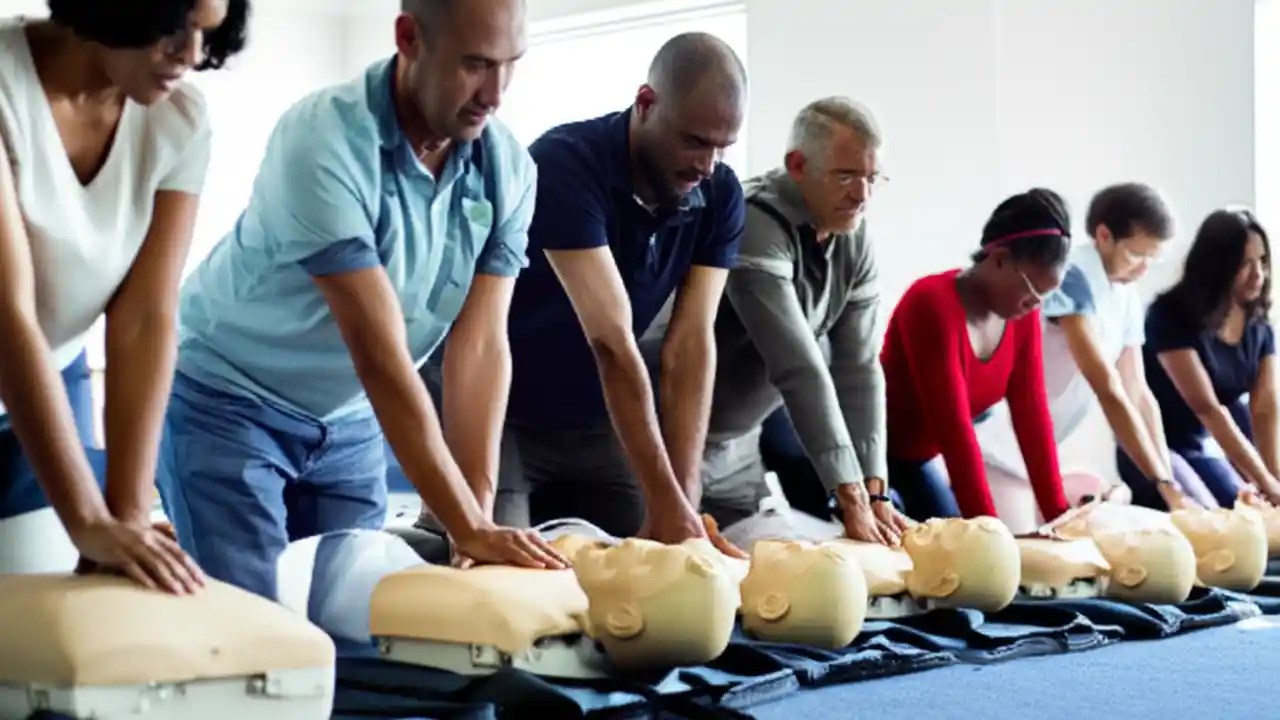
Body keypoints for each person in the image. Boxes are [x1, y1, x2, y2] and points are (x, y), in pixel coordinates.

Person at [157, 0, 567, 601]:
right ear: (408, 39)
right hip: (228, 400)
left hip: (348, 419)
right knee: (253, 631)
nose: (495, 93)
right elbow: (380, 354)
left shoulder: (508, 169)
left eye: (511, 64)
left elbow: (478, 347)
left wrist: (472, 522)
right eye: (475, 64)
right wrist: (467, 524)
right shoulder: (323, 137)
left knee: (355, 622)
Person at [0, 0, 247, 593]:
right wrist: (87, 517)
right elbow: (8, 312)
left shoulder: (178, 119)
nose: (190, 56)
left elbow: (144, 317)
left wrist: (127, 514)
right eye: (174, 27)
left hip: (50, 375)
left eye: (206, 33)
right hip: (17, 345)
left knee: (60, 615)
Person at [491, 33, 747, 546]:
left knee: (653, 560)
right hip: (507, 417)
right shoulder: (565, 163)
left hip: (598, 424)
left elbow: (691, 345)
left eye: (722, 147)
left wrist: (684, 496)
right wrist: (668, 501)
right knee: (506, 581)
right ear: (646, 105)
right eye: (694, 141)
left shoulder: (719, 192)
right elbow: (611, 340)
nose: (707, 165)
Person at [692, 96, 910, 545]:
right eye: (846, 176)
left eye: (873, 178)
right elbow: (798, 367)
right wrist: (846, 493)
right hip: (672, 440)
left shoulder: (854, 233)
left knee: (780, 574)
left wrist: (875, 489)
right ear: (797, 165)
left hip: (740, 450)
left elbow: (860, 368)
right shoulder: (753, 218)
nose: (862, 195)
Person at [975, 183, 1199, 529]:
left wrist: (1169, 484)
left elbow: (1137, 392)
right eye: (1136, 255)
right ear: (1104, 235)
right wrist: (1164, 486)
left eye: (1153, 259)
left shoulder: (1126, 295)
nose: (1143, 269)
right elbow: (1107, 386)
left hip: (1040, 449)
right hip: (999, 444)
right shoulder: (1072, 274)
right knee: (1015, 555)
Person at [880, 188, 1074, 523]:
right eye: (1032, 292)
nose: (1035, 306)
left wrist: (1059, 515)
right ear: (998, 258)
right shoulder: (931, 303)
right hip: (866, 457)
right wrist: (988, 531)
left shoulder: (1020, 316)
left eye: (1046, 296)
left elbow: (1032, 415)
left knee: (960, 543)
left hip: (915, 460)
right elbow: (954, 431)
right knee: (956, 552)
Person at [1125, 208, 1280, 508]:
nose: (1258, 274)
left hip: (1198, 446)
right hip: (1153, 447)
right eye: (1244, 264)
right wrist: (1266, 482)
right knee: (1210, 518)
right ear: (1217, 266)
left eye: (1262, 261)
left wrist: (1274, 481)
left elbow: (1265, 408)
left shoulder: (1259, 326)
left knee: (1246, 508)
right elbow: (1207, 408)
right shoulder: (1169, 314)